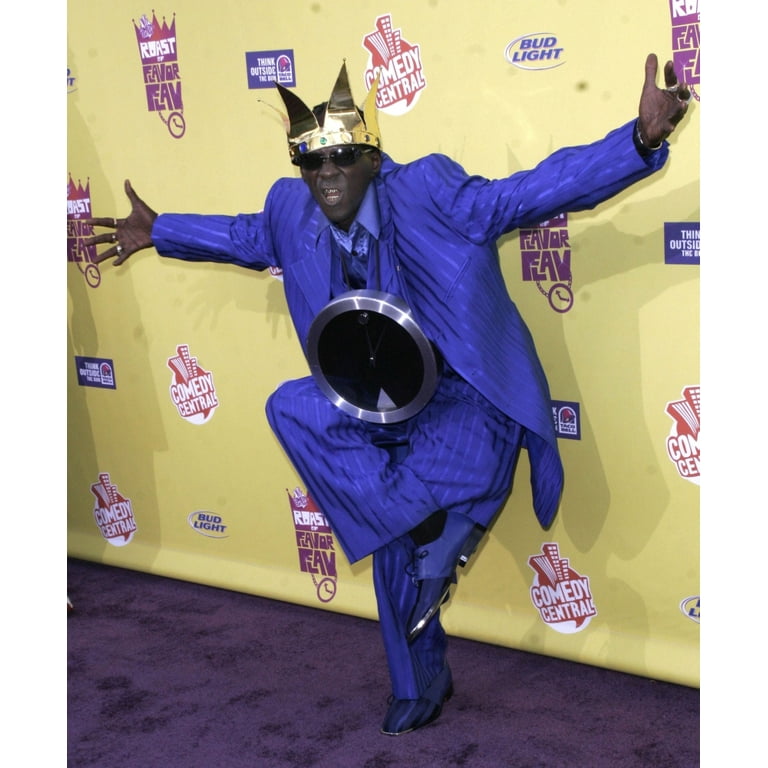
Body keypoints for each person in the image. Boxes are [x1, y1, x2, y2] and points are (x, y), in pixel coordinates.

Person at [83, 52, 691, 735]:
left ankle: (418, 651)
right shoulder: (291, 210)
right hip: (373, 406)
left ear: (373, 158)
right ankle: (429, 557)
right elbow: (243, 236)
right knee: (295, 410)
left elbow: (525, 193)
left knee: (424, 502)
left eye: (343, 158)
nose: (327, 174)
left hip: (460, 398)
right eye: (312, 162)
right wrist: (159, 230)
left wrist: (638, 140)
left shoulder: (428, 190)